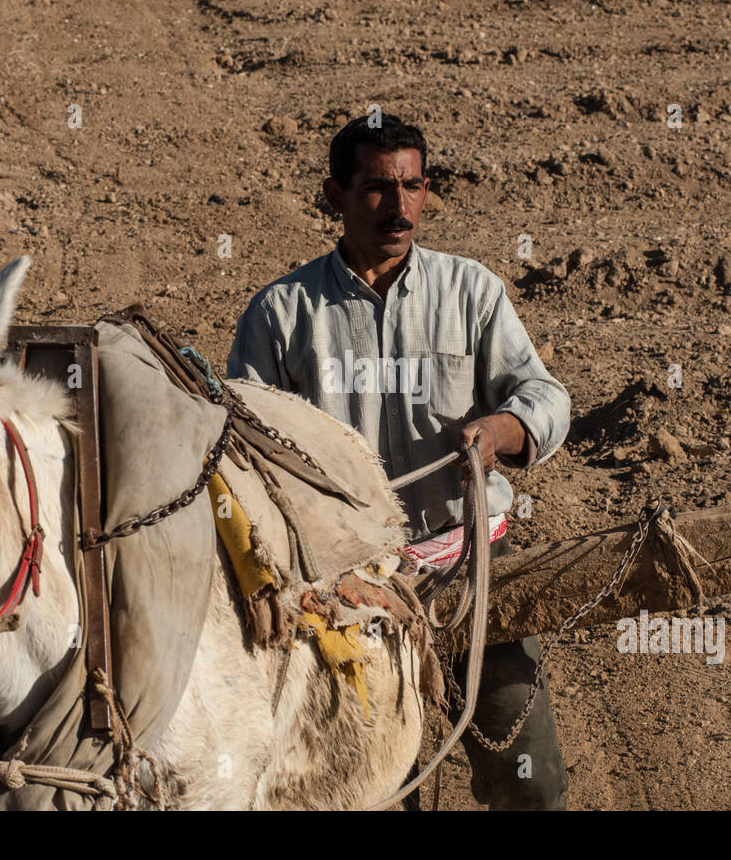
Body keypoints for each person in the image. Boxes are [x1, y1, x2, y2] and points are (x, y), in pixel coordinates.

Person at [226, 113, 572, 810]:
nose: (400, 205)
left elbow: (545, 395)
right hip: (339, 593)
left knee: (531, 777)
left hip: (467, 569)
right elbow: (239, 447)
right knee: (368, 789)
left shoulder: (472, 293)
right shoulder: (281, 313)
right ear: (334, 194)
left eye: (413, 186)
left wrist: (502, 428)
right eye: (379, 187)